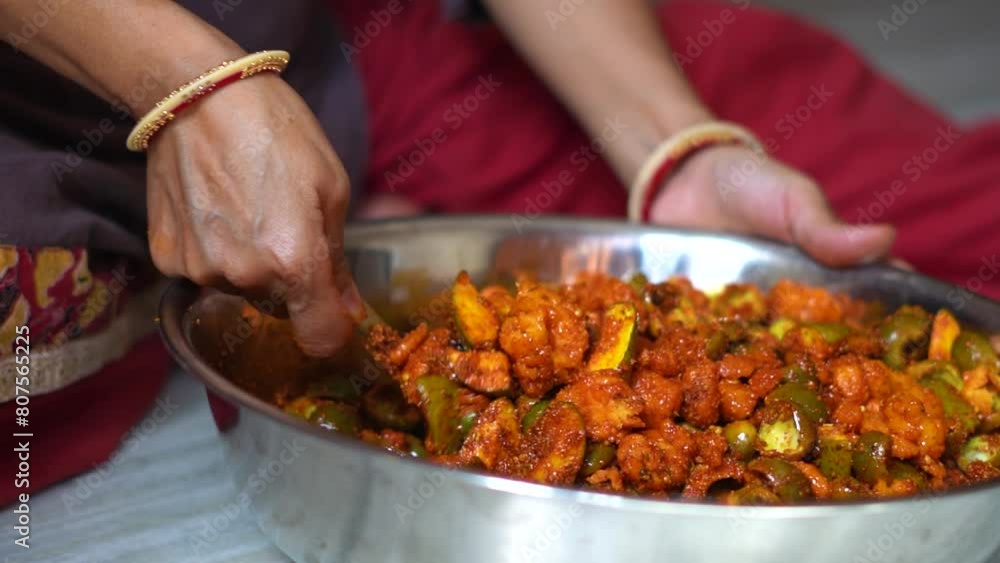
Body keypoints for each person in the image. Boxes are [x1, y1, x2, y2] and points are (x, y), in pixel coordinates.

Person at [0, 0, 995, 503]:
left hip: (325, 47)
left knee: (897, 176)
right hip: (43, 95)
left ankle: (390, 186)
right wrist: (183, 83)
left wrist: (671, 148)